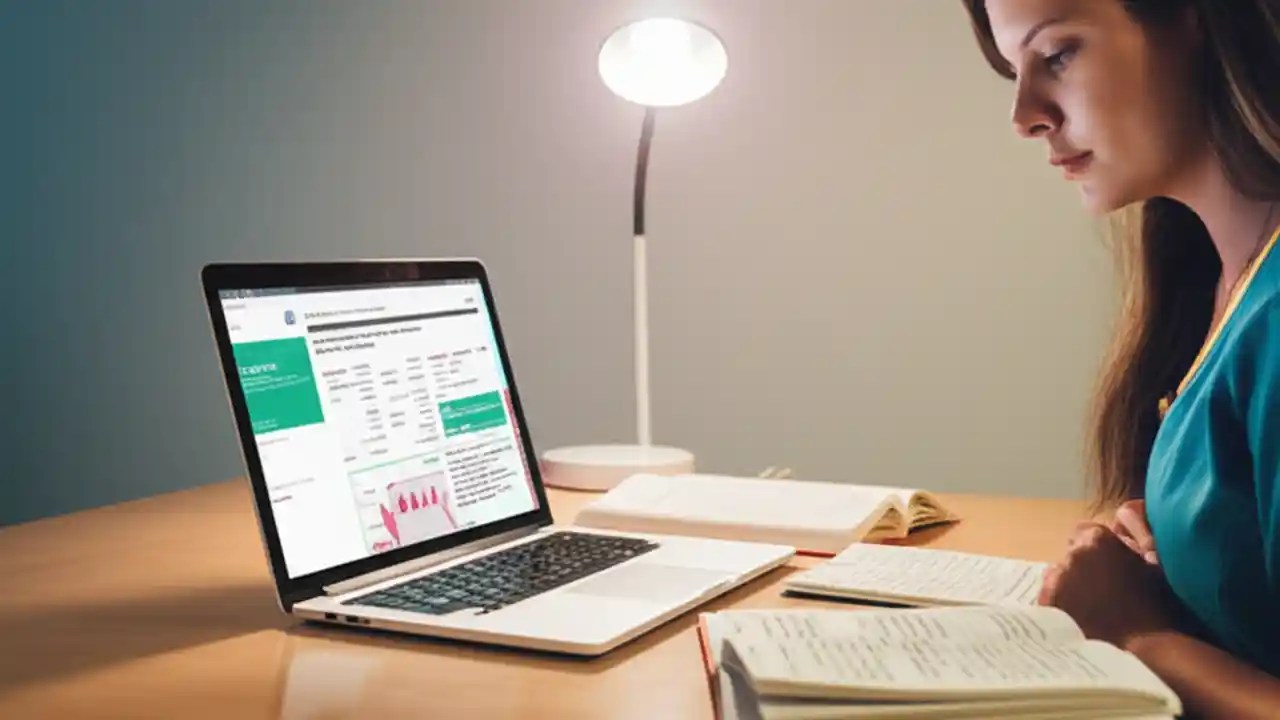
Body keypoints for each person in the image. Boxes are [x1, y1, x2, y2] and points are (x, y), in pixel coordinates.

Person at [962, 1, 1280, 717]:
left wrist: (1138, 636)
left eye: (1059, 56)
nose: (1025, 115)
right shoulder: (1221, 285)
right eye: (1014, 71)